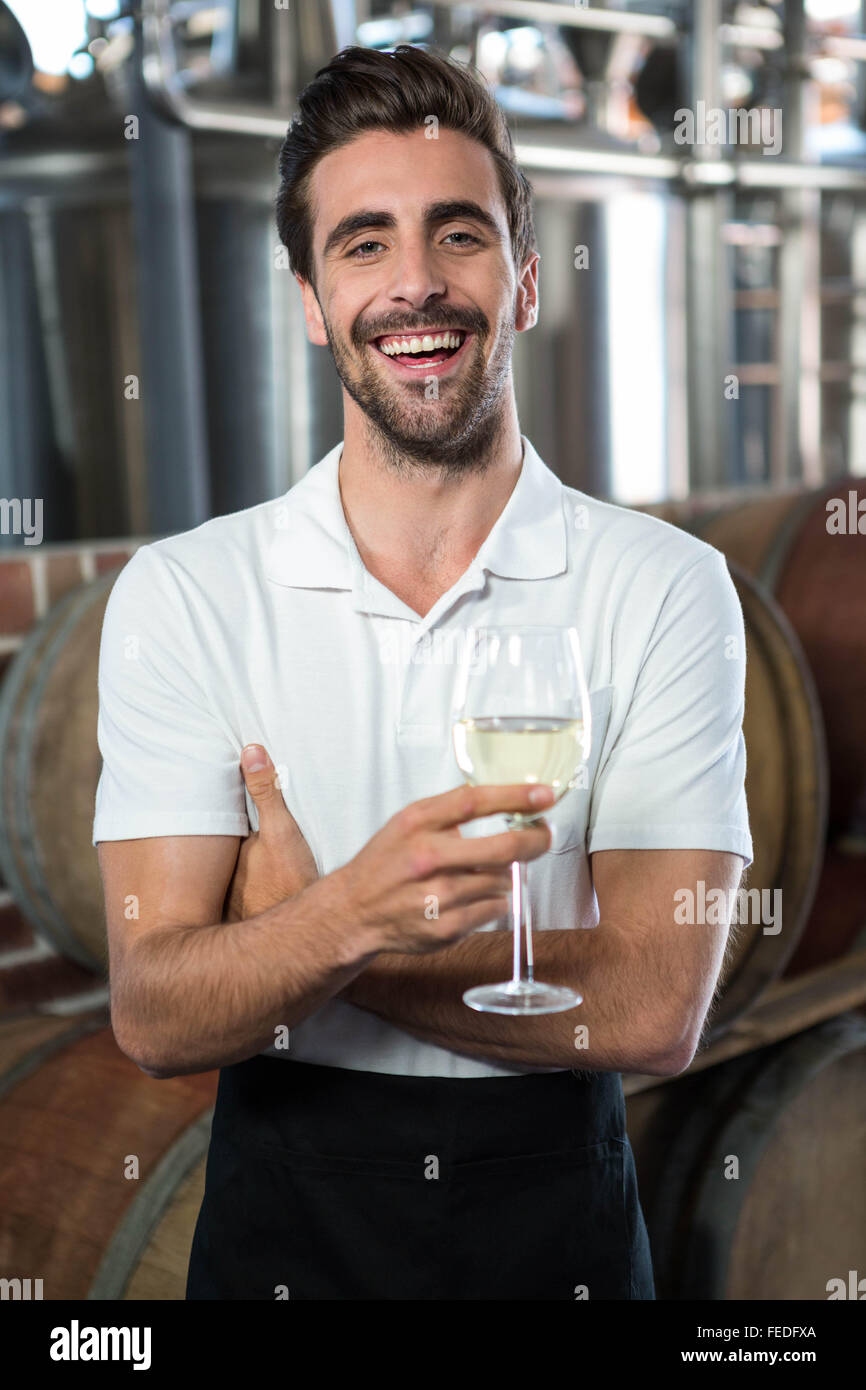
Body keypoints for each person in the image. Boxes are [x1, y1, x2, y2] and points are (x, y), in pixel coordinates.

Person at [93, 44, 752, 1301]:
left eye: (457, 236)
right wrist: (350, 916)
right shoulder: (185, 593)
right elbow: (159, 1014)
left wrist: (317, 931)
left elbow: (653, 1005)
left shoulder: (662, 585)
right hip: (280, 1232)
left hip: (555, 1228)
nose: (414, 285)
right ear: (306, 297)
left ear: (520, 282)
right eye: (361, 244)